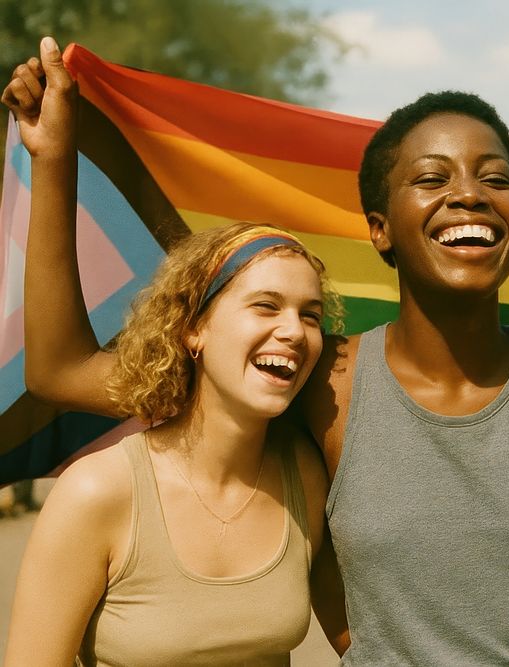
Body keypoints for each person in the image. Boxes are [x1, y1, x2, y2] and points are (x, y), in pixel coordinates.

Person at [10, 38, 509, 666]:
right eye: (432, 179)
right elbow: (63, 370)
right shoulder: (325, 380)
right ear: (380, 228)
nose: (468, 194)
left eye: (496, 178)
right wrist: (54, 161)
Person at [3, 38, 348, 665]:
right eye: (265, 306)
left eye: (311, 314)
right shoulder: (97, 494)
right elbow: (57, 365)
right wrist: (55, 157)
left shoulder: (303, 474)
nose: (295, 331)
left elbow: (365, 639)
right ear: (193, 329)